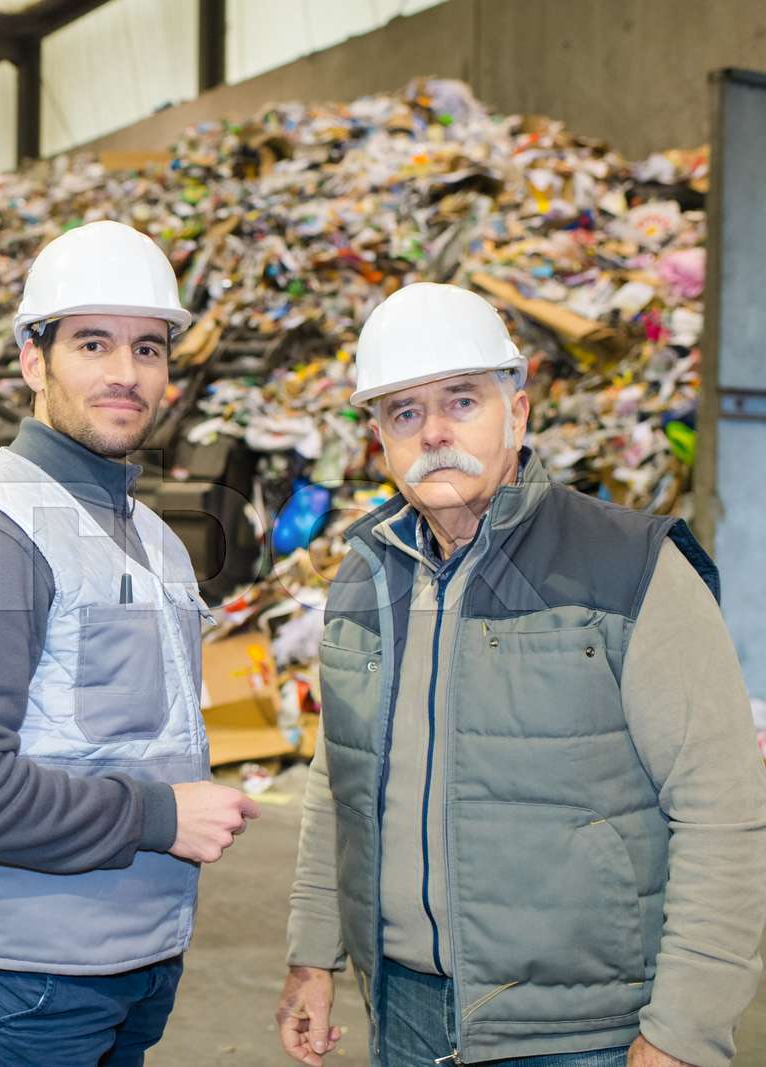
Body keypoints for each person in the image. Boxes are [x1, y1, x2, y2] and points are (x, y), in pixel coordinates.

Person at [277, 282, 766, 1067]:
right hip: (405, 1014)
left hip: (589, 1036)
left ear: (519, 412)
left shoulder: (630, 568)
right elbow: (341, 779)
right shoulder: (367, 577)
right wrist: (312, 955)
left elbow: (723, 810)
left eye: (462, 400)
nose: (434, 431)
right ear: (379, 436)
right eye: (404, 412)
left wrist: (684, 1032)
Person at [0, 220, 261, 1065]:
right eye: (93, 343)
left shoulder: (152, 536)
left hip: (131, 966)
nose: (126, 374)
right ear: (34, 359)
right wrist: (160, 814)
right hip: (31, 984)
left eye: (148, 348)